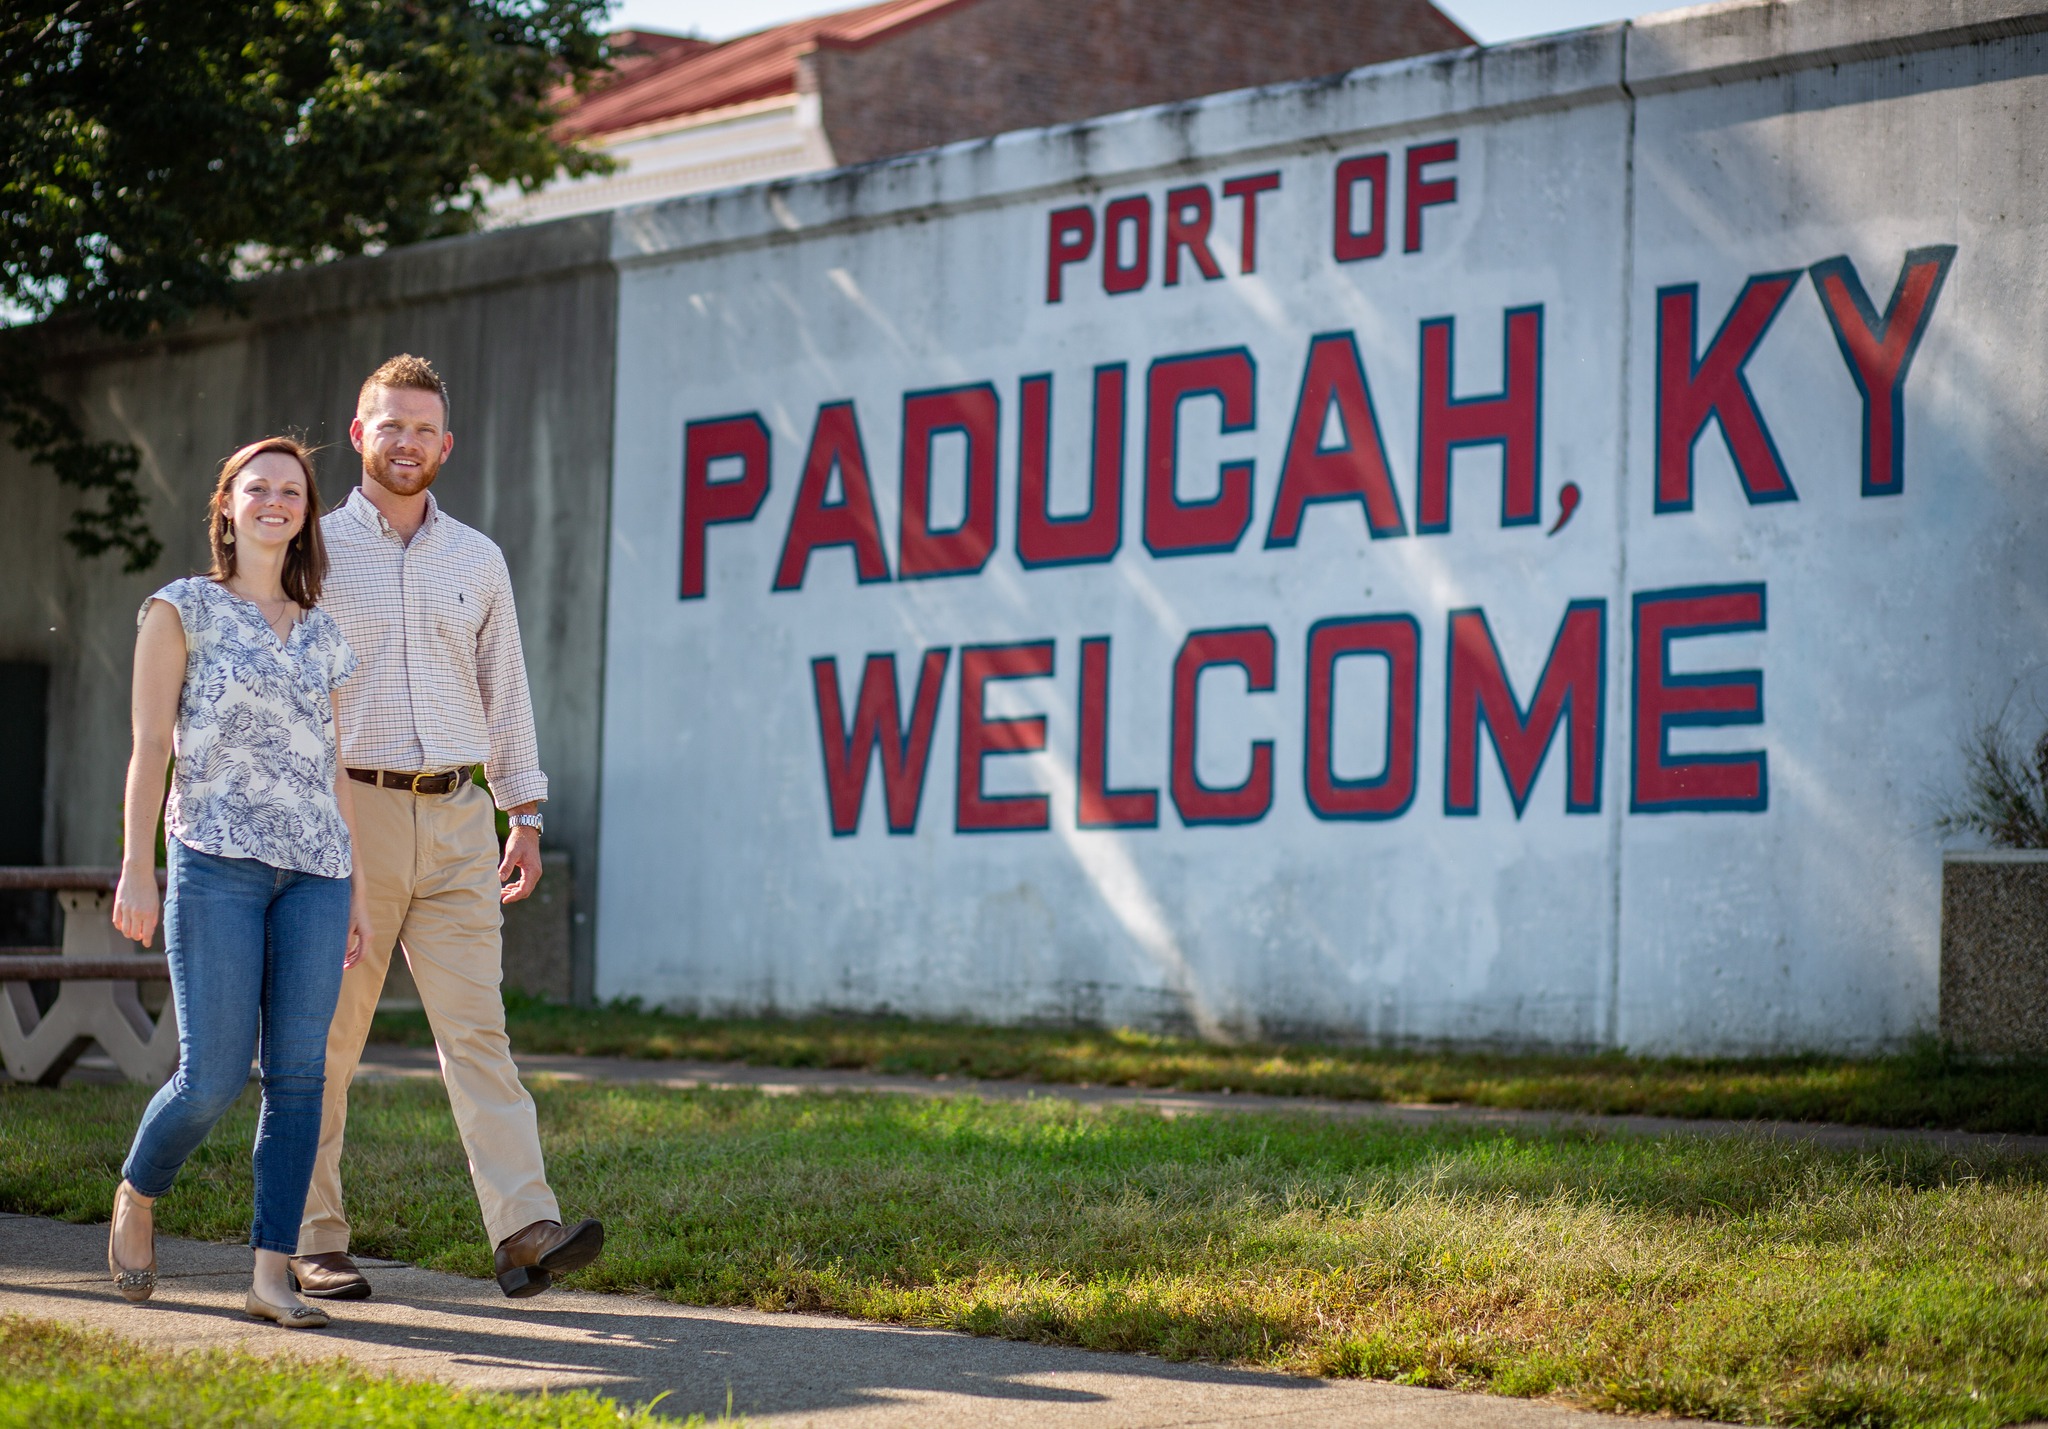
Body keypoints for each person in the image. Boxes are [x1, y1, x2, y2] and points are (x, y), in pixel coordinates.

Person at [289, 354, 602, 1302]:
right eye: (391, 425)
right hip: (351, 814)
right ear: (358, 433)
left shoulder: (479, 558)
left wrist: (525, 812)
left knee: (480, 1033)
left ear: (446, 443)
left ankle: (523, 1229)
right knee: (328, 1038)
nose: (408, 442)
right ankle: (313, 1235)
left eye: (424, 428)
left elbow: (505, 691)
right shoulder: (313, 548)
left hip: (462, 817)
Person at [109, 437, 370, 1330]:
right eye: (257, 487)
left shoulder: (324, 630)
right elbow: (150, 749)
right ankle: (140, 1190)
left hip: (318, 872)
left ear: (305, 510)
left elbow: (335, 770)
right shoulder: (179, 610)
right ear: (226, 504)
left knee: (298, 1077)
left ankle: (270, 1277)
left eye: (291, 490)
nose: (275, 501)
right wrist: (136, 864)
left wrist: (360, 892)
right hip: (214, 861)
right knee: (212, 1075)